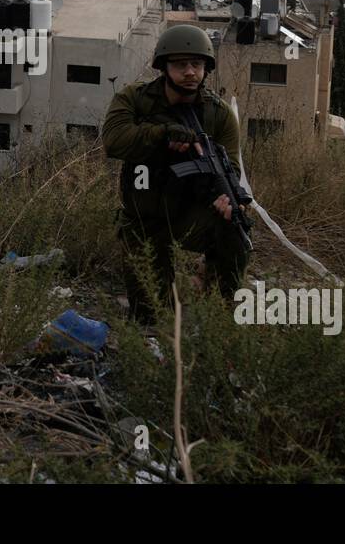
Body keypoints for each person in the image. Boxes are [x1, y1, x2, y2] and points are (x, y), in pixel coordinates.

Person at [102, 23, 249, 322]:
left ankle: (219, 309)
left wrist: (225, 198)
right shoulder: (135, 99)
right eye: (181, 65)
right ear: (163, 67)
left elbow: (230, 166)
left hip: (190, 214)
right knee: (151, 316)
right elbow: (114, 141)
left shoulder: (218, 115)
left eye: (197, 64)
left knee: (234, 228)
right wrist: (161, 135)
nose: (190, 72)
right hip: (144, 218)